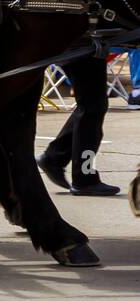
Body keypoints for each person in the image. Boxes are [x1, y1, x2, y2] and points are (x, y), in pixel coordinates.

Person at [38, 56, 121, 196]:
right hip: (84, 47)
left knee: (91, 106)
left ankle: (54, 157)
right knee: (92, 108)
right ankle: (85, 178)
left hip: (81, 47)